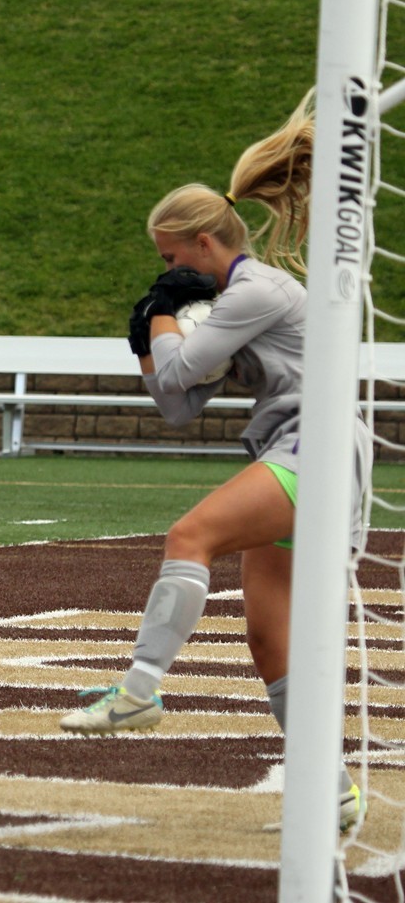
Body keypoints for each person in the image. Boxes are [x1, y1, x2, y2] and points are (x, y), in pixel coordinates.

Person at [56, 91, 373, 833]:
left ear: (203, 242)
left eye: (170, 259)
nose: (167, 270)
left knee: (188, 535)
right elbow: (176, 405)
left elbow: (176, 375)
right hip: (294, 450)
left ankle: (139, 688)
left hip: (318, 447)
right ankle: (333, 791)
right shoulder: (232, 297)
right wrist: (148, 335)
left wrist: (162, 318)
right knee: (267, 637)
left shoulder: (256, 289)